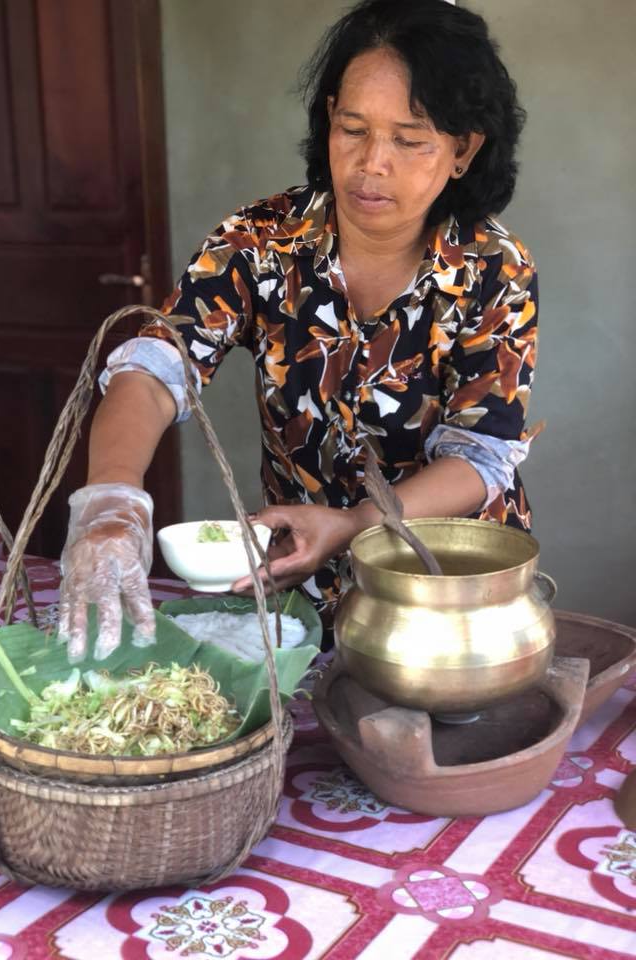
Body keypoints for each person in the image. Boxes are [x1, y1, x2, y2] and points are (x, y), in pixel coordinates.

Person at [58, 0, 539, 663]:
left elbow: (480, 452)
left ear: (462, 150)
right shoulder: (262, 242)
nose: (372, 164)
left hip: (441, 592)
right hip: (296, 584)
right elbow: (157, 365)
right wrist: (112, 499)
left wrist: (353, 525)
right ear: (329, 117)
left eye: (410, 139)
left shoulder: (493, 269)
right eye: (353, 129)